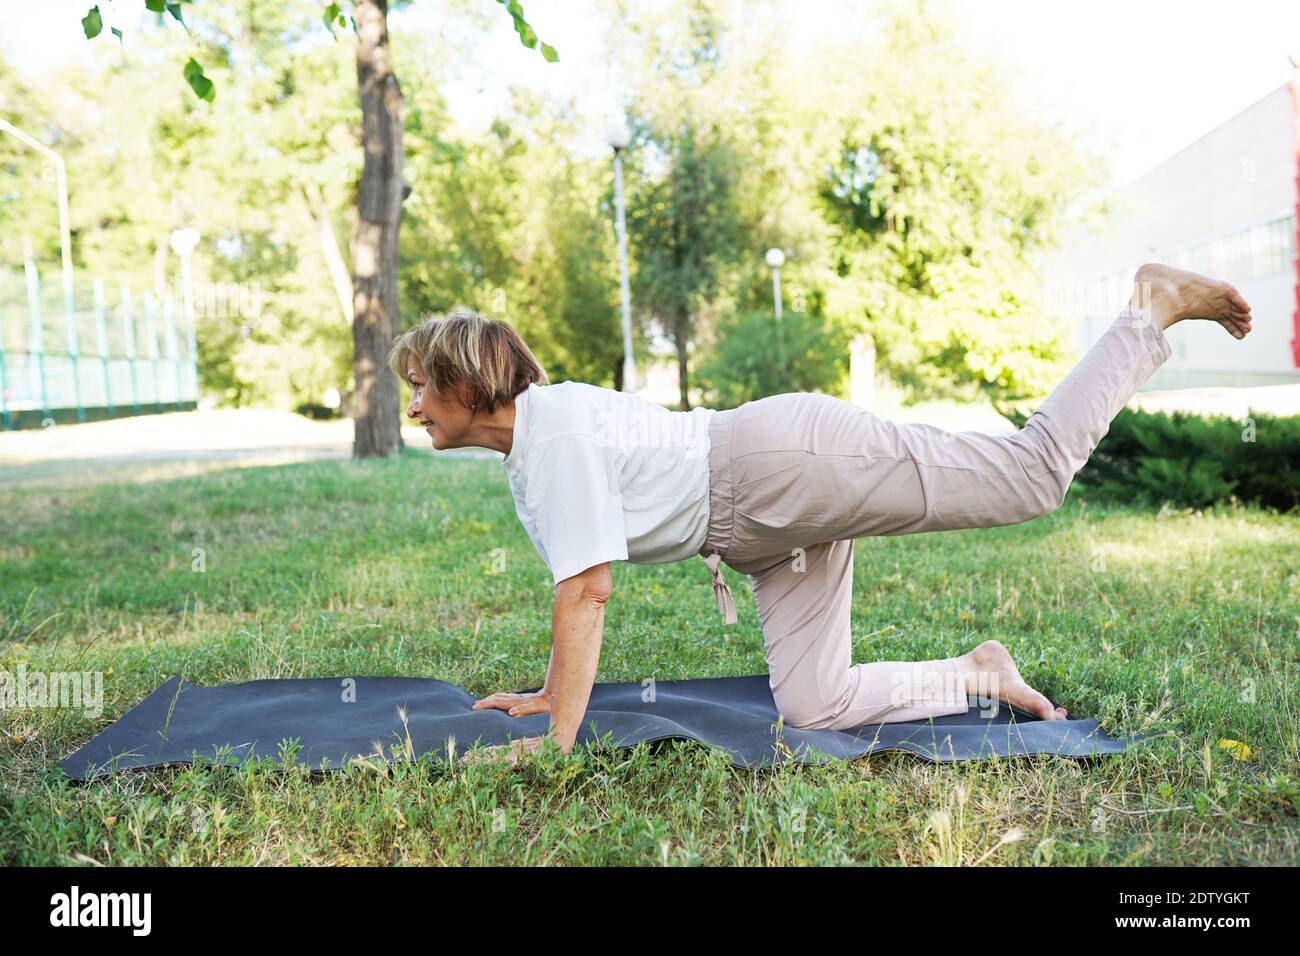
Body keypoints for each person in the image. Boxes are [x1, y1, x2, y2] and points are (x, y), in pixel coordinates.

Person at [387, 263, 1253, 765]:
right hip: (758, 527)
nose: (416, 404)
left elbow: (587, 592)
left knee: (1029, 478)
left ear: (467, 381)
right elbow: (580, 586)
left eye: (421, 385)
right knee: (817, 707)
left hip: (783, 466)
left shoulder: (556, 429)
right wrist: (548, 695)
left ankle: (1149, 310)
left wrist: (559, 736)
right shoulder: (533, 449)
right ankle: (980, 671)